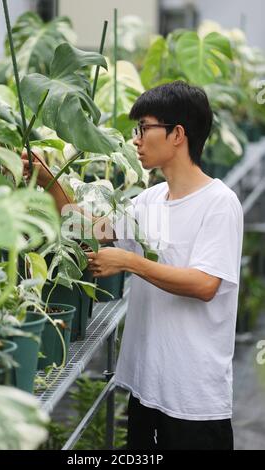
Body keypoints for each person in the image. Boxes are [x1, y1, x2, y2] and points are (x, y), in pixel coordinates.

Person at [22, 81, 243, 450]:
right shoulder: (151, 201)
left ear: (177, 134)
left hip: (192, 401)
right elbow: (88, 229)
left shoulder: (219, 204)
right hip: (147, 388)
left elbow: (205, 285)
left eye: (144, 128)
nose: (136, 139)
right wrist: (48, 180)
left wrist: (129, 261)